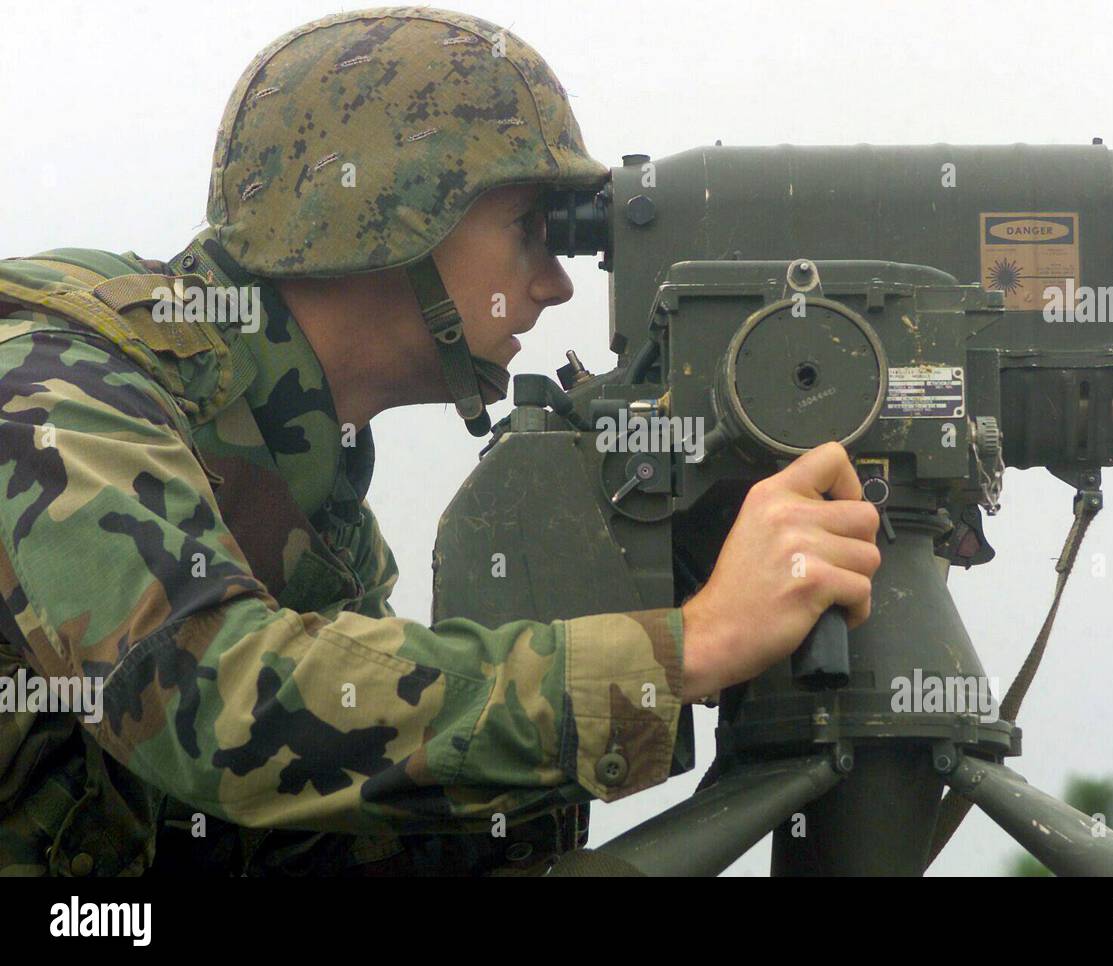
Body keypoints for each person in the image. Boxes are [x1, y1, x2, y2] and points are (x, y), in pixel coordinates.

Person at [0, 7, 879, 876]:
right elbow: (218, 705)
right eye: (531, 228)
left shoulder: (307, 487)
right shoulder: (55, 386)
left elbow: (342, 810)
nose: (556, 285)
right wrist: (690, 645)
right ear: (393, 218)